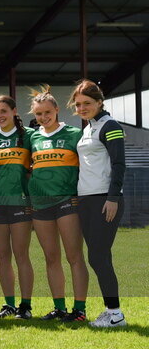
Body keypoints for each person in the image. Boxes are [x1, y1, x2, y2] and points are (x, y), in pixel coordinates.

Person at [71, 80, 127, 328]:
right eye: (78, 104)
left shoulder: (110, 125)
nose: (82, 108)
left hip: (105, 199)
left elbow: (119, 164)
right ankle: (111, 311)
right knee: (99, 256)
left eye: (87, 103)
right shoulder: (87, 129)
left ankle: (115, 314)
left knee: (97, 256)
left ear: (100, 102)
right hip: (86, 200)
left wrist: (113, 198)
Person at [29, 87, 88, 322]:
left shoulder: (74, 134)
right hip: (40, 204)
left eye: (47, 112)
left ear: (56, 109)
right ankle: (59, 308)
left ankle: (79, 310)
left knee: (74, 256)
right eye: (38, 114)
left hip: (67, 201)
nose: (43, 117)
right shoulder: (33, 137)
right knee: (51, 258)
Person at [0, 95, 36, 319]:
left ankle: (25, 306)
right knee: (2, 257)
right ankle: (9, 304)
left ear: (14, 111)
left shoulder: (29, 136)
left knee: (21, 255)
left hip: (20, 203)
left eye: (3, 111)